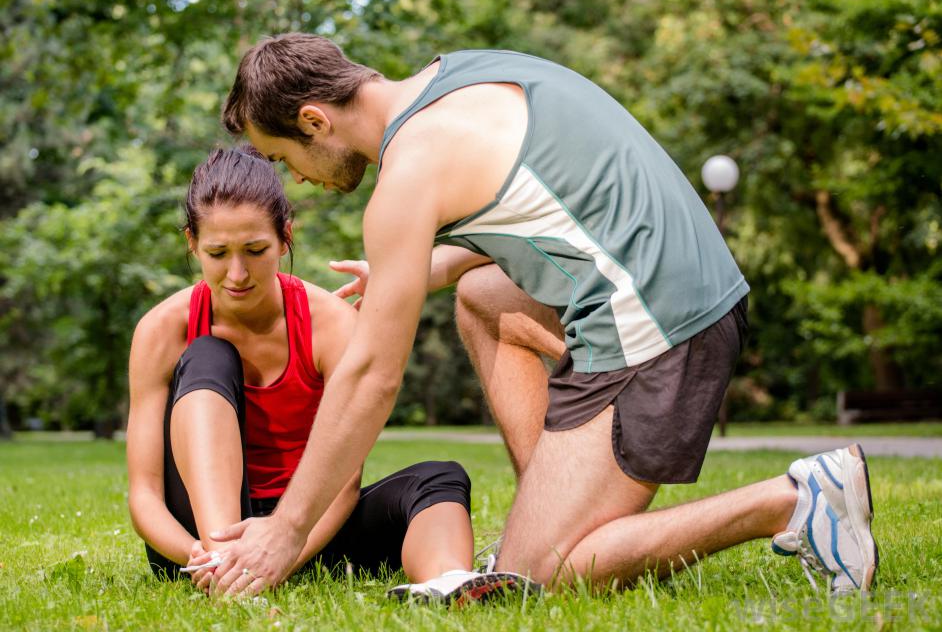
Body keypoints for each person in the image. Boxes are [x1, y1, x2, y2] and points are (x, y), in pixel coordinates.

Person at [208, 34, 878, 597]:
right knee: (482, 297)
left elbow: (371, 378)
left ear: (314, 121)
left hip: (662, 327)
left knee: (538, 576)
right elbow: (562, 195)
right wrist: (437, 266)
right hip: (691, 292)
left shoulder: (409, 171)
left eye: (281, 157)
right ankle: (555, 510)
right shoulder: (463, 74)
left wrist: (286, 531)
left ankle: (795, 500)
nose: (295, 177)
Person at [125, 146, 530, 602]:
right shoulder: (163, 329)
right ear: (192, 243)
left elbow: (343, 484)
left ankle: (447, 582)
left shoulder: (332, 325)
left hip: (304, 527)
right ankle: (226, 565)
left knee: (440, 477)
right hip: (198, 538)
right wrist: (203, 557)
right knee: (208, 355)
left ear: (285, 237)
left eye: (255, 250)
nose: (236, 273)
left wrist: (278, 556)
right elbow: (145, 495)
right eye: (218, 253)